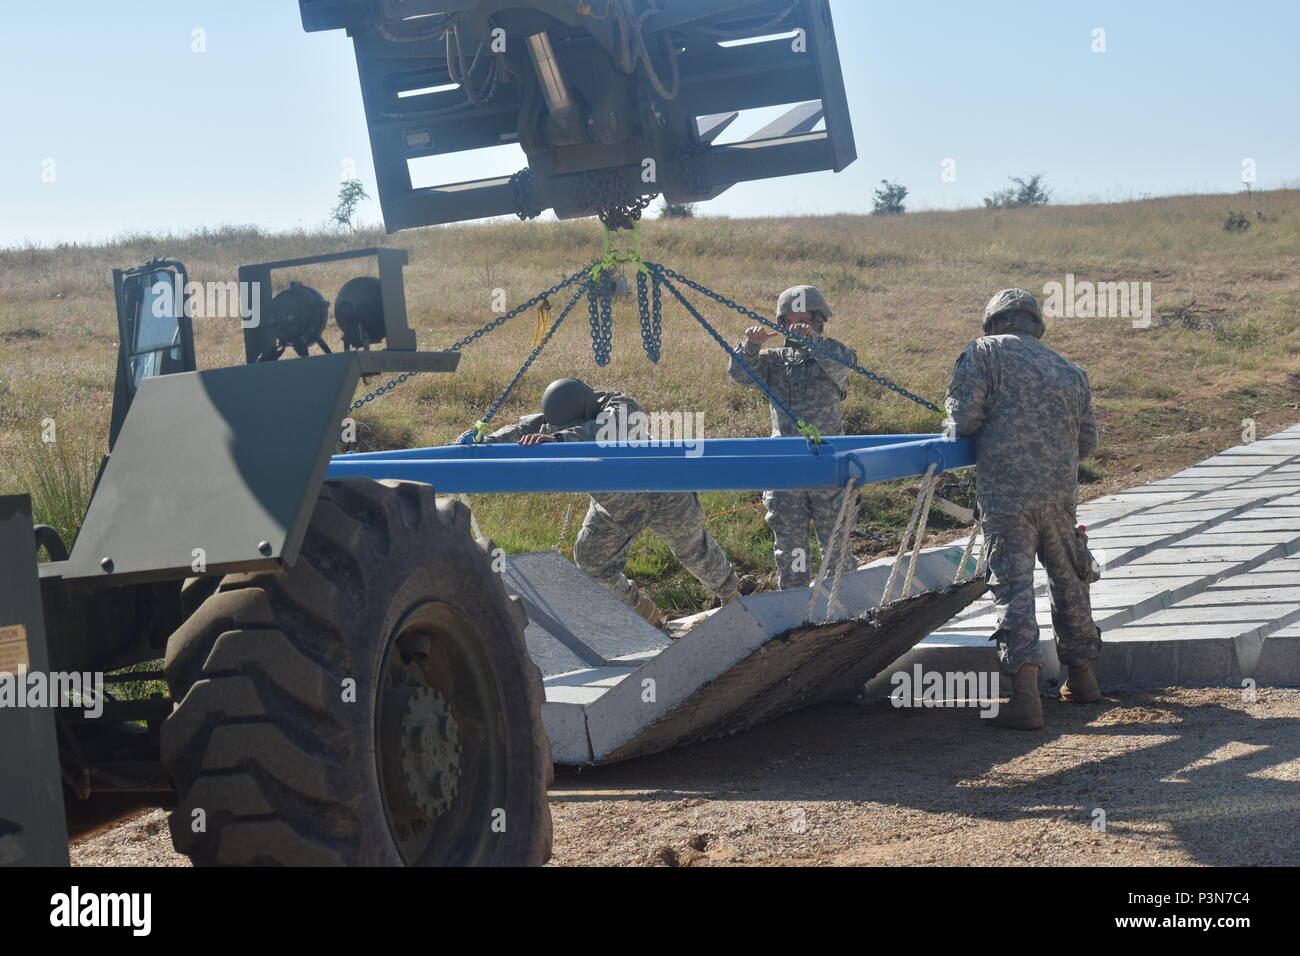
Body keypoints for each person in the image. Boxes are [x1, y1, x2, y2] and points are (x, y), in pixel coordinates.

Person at [944, 288, 1103, 730]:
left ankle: (1026, 698)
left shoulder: (983, 353)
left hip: (1006, 495)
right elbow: (1088, 441)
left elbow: (964, 420)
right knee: (1069, 579)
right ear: (1036, 326)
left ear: (993, 324)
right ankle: (1083, 679)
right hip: (1059, 495)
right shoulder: (1070, 370)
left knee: (1013, 587)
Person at [461, 378, 739, 628]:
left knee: (693, 550)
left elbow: (606, 431)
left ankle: (733, 599)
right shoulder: (558, 419)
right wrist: (484, 441)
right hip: (615, 506)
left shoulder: (621, 407)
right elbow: (523, 429)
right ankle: (647, 615)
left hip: (666, 495)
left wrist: (560, 439)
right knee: (592, 562)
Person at [727, 285, 858, 589]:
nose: (798, 326)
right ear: (782, 323)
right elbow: (740, 375)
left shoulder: (833, 354)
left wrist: (814, 342)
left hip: (828, 466)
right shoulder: (773, 360)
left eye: (805, 321)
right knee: (791, 548)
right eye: (791, 321)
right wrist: (751, 346)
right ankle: (796, 598)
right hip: (786, 469)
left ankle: (845, 599)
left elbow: (844, 366)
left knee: (836, 545)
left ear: (819, 320)